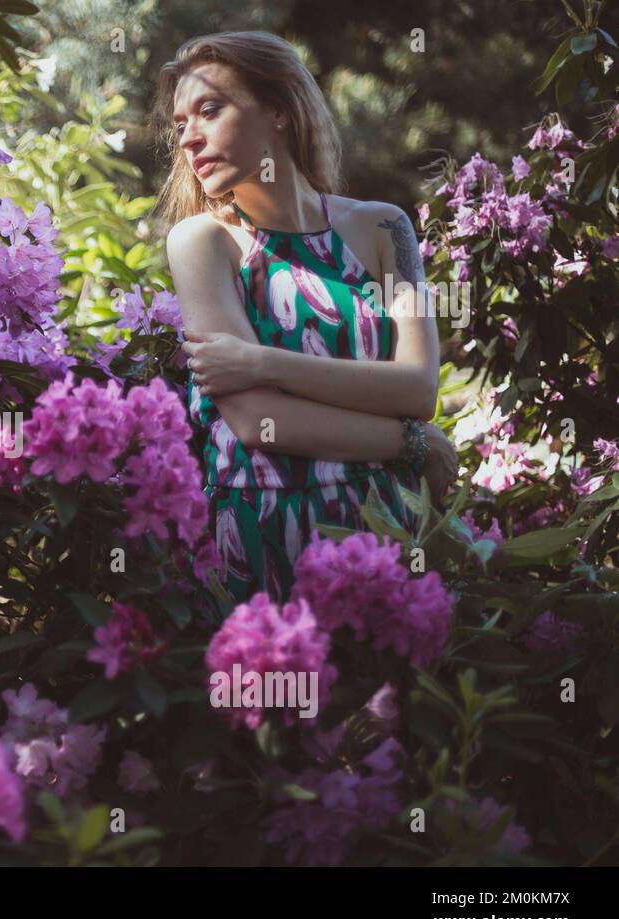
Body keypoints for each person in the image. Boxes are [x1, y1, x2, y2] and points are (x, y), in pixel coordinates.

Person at [155, 30, 459, 601]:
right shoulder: (203, 242)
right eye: (179, 125)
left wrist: (259, 360)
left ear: (279, 110)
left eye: (210, 110)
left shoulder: (385, 228)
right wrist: (413, 444)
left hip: (388, 527)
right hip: (268, 531)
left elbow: (418, 388)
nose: (189, 139)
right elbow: (258, 422)